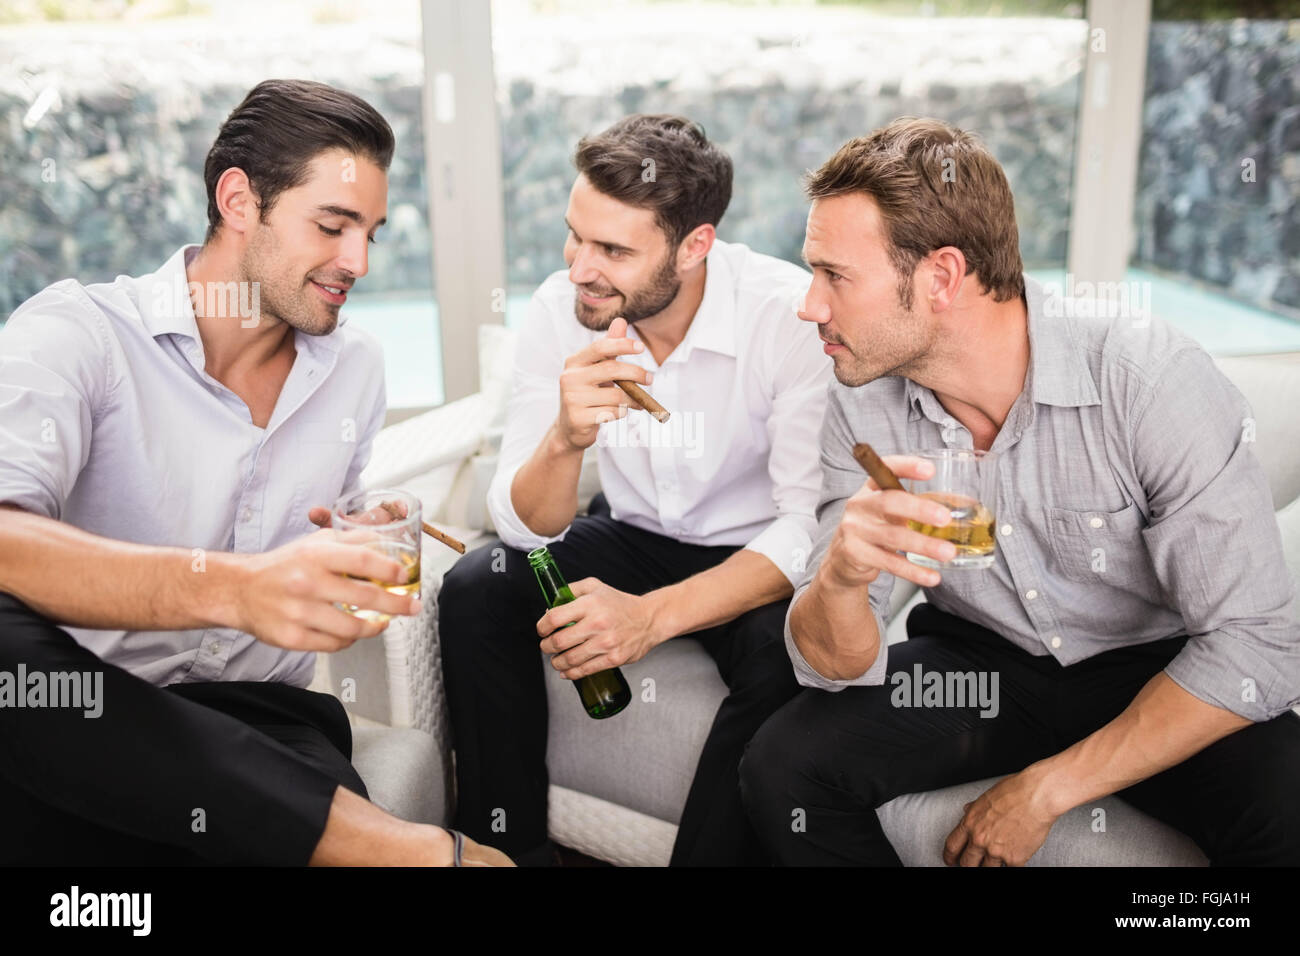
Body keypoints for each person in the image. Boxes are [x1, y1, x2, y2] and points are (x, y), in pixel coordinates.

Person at [739, 117, 1300, 866]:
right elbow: (831, 664)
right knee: (783, 769)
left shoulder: (1146, 380)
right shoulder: (859, 400)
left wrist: (1046, 791)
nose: (809, 305)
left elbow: (1255, 643)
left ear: (942, 277)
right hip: (984, 668)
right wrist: (839, 578)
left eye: (834, 276)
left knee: (1287, 809)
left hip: (1158, 666)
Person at [0, 78, 510, 866]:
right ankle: (405, 851)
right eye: (333, 226)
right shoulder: (80, 337)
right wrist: (236, 588)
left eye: (369, 234)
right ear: (238, 200)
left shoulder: (355, 367)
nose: (358, 262)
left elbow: (326, 525)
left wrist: (355, 543)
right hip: (85, 706)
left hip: (263, 719)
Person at [439, 114, 831, 866]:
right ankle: (506, 851)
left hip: (755, 556)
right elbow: (523, 527)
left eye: (614, 251)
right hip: (632, 532)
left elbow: (805, 527)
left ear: (695, 246)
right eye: (575, 237)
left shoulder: (785, 317)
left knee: (785, 657)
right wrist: (565, 439)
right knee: (478, 584)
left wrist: (650, 618)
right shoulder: (560, 309)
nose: (580, 269)